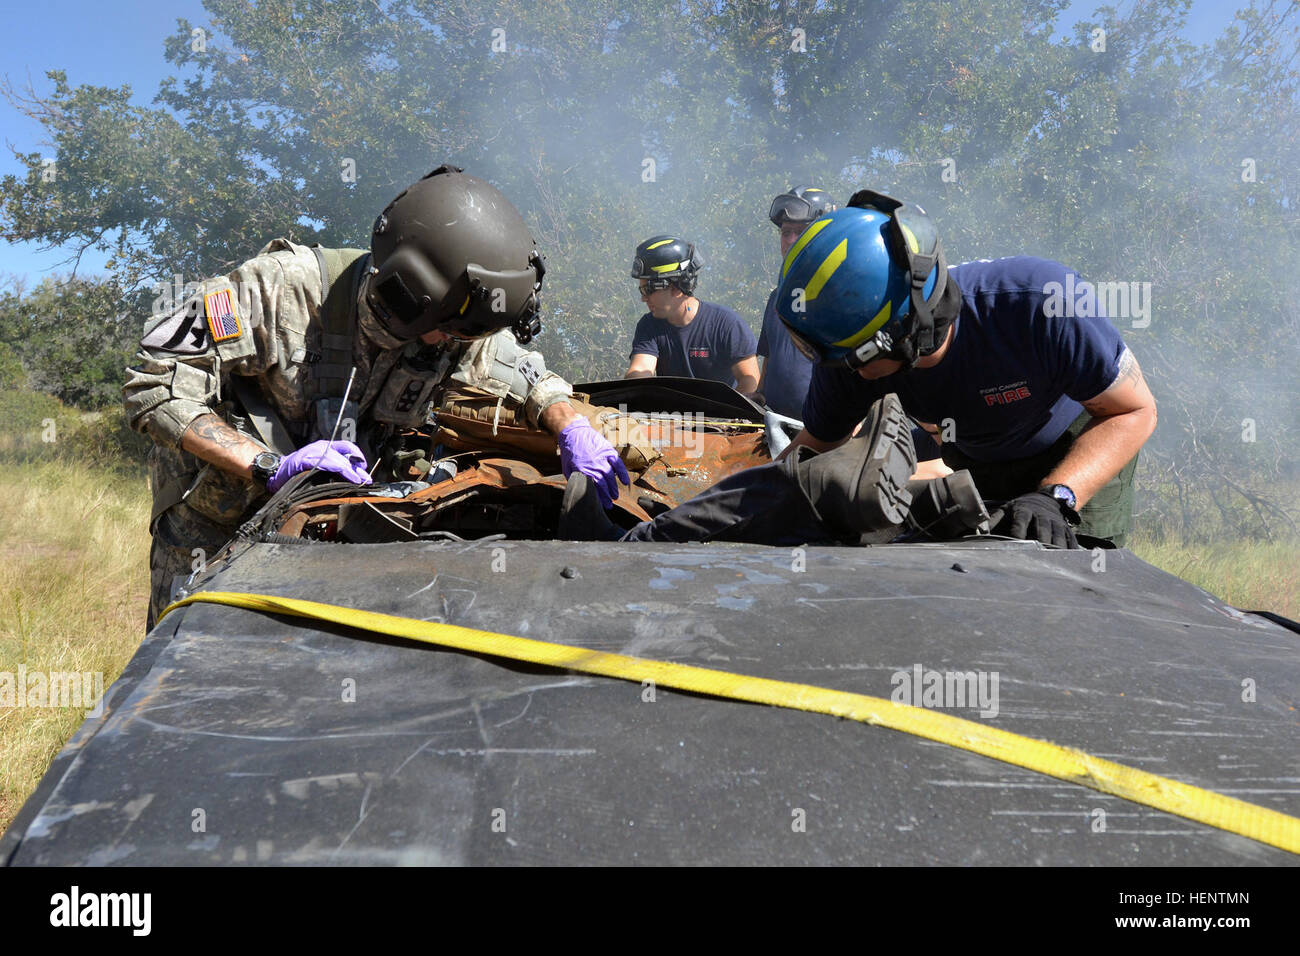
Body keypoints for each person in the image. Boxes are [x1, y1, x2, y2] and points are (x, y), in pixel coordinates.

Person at [126, 165, 629, 628]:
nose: (453, 348)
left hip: (329, 524)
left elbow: (529, 377)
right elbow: (155, 381)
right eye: (447, 335)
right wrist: (266, 465)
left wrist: (572, 428)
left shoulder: (452, 324)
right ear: (403, 296)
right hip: (215, 522)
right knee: (184, 665)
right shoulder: (278, 287)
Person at [564, 190, 1156, 550]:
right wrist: (671, 529)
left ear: (911, 327)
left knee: (1072, 586)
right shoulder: (847, 349)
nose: (843, 374)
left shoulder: (1038, 302)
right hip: (979, 462)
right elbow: (801, 462)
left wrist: (1059, 496)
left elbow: (1133, 411)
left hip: (1078, 449)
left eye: (855, 360)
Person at [624, 235, 759, 393]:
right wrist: (633, 388)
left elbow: (751, 382)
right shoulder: (649, 325)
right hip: (670, 416)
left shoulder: (726, 324)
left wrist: (722, 413)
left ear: (675, 287)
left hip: (722, 416)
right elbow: (641, 370)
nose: (643, 298)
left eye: (648, 290)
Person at [757, 186, 837, 419]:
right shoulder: (777, 296)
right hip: (776, 427)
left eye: (801, 232)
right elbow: (770, 356)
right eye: (785, 233)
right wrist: (760, 393)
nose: (790, 241)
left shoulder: (843, 293)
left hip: (830, 429)